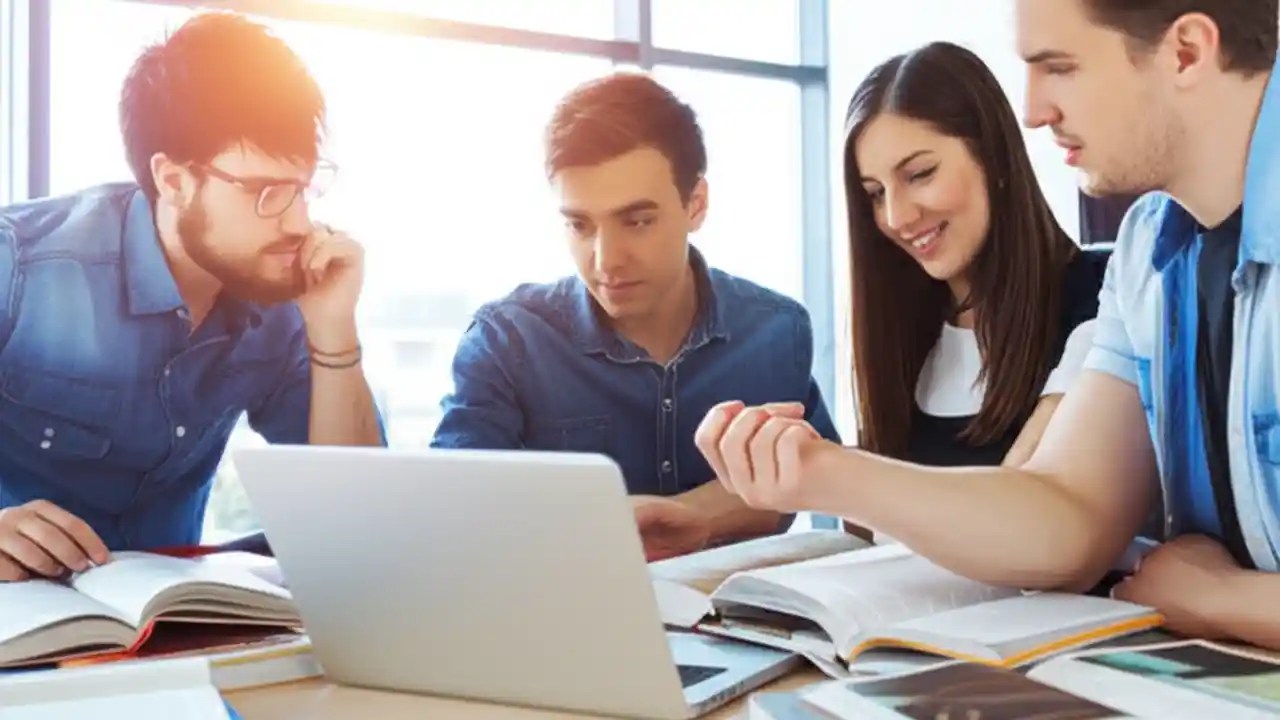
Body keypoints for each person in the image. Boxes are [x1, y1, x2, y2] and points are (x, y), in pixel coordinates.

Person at [696, 0, 1280, 651]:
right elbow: (1070, 518)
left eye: (1059, 67)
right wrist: (822, 471)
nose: (1031, 111)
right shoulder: (1145, 253)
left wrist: (1222, 599)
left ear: (1187, 53)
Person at [0, 12, 383, 581]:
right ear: (174, 181)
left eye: (302, 188)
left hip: (169, 627)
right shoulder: (19, 263)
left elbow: (358, 514)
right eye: (267, 192)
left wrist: (333, 329)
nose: (300, 221)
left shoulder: (277, 292)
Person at [431, 73, 840, 560]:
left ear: (697, 204)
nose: (606, 260)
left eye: (637, 221)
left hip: (737, 630)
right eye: (580, 225)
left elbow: (817, 477)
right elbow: (452, 515)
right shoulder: (507, 341)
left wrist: (695, 518)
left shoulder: (775, 330)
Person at [845, 41, 1107, 471]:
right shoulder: (902, 335)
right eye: (875, 194)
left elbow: (1023, 496)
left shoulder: (1101, 298)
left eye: (920, 174)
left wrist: (838, 474)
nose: (897, 217)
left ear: (995, 158)